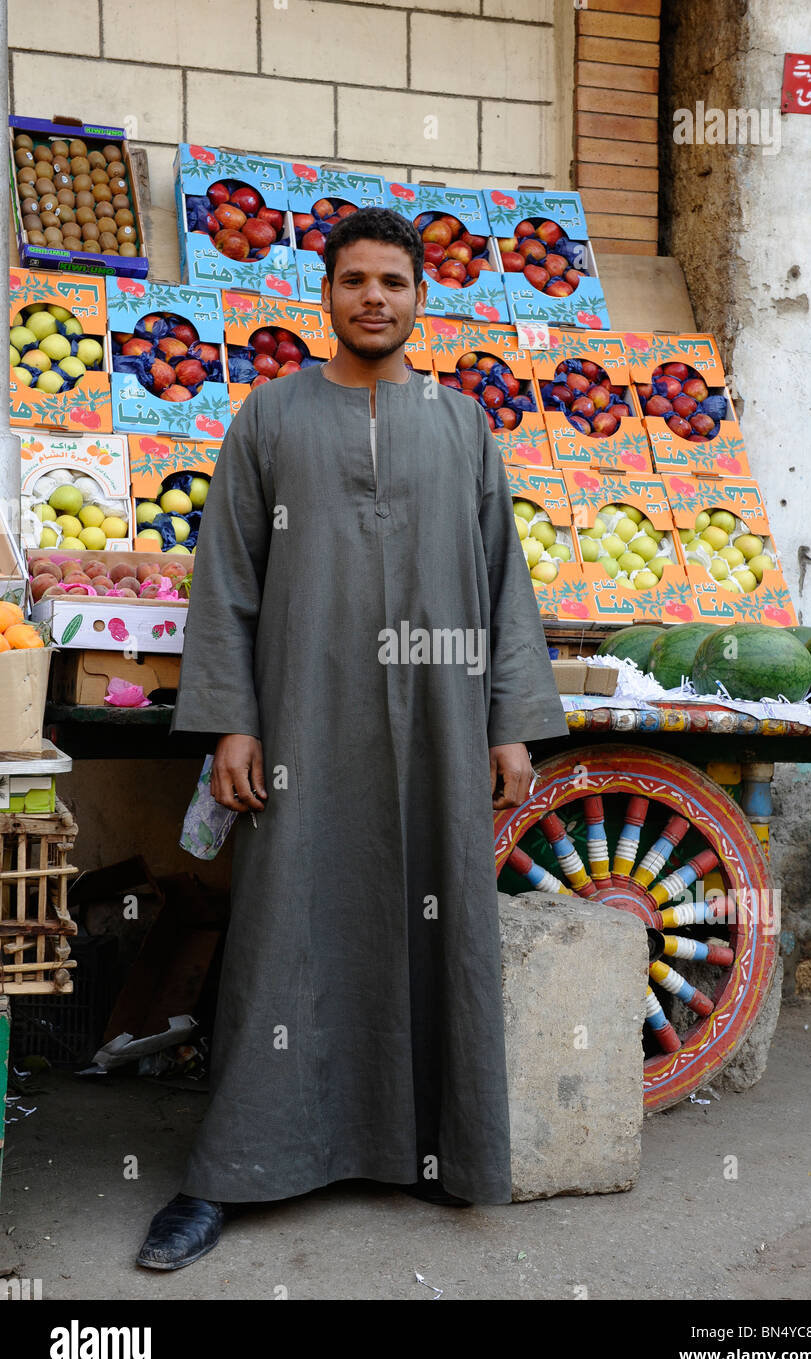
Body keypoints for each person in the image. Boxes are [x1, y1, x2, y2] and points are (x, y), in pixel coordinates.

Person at [136, 207, 568, 1271]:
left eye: (394, 282)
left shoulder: (463, 427)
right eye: (354, 281)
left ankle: (434, 1147)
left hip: (437, 726)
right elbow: (227, 581)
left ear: (422, 298)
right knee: (288, 928)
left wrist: (509, 725)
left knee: (439, 930)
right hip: (304, 726)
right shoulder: (269, 420)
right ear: (324, 295)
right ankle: (233, 1169)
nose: (374, 298)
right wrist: (234, 721)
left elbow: (507, 586)